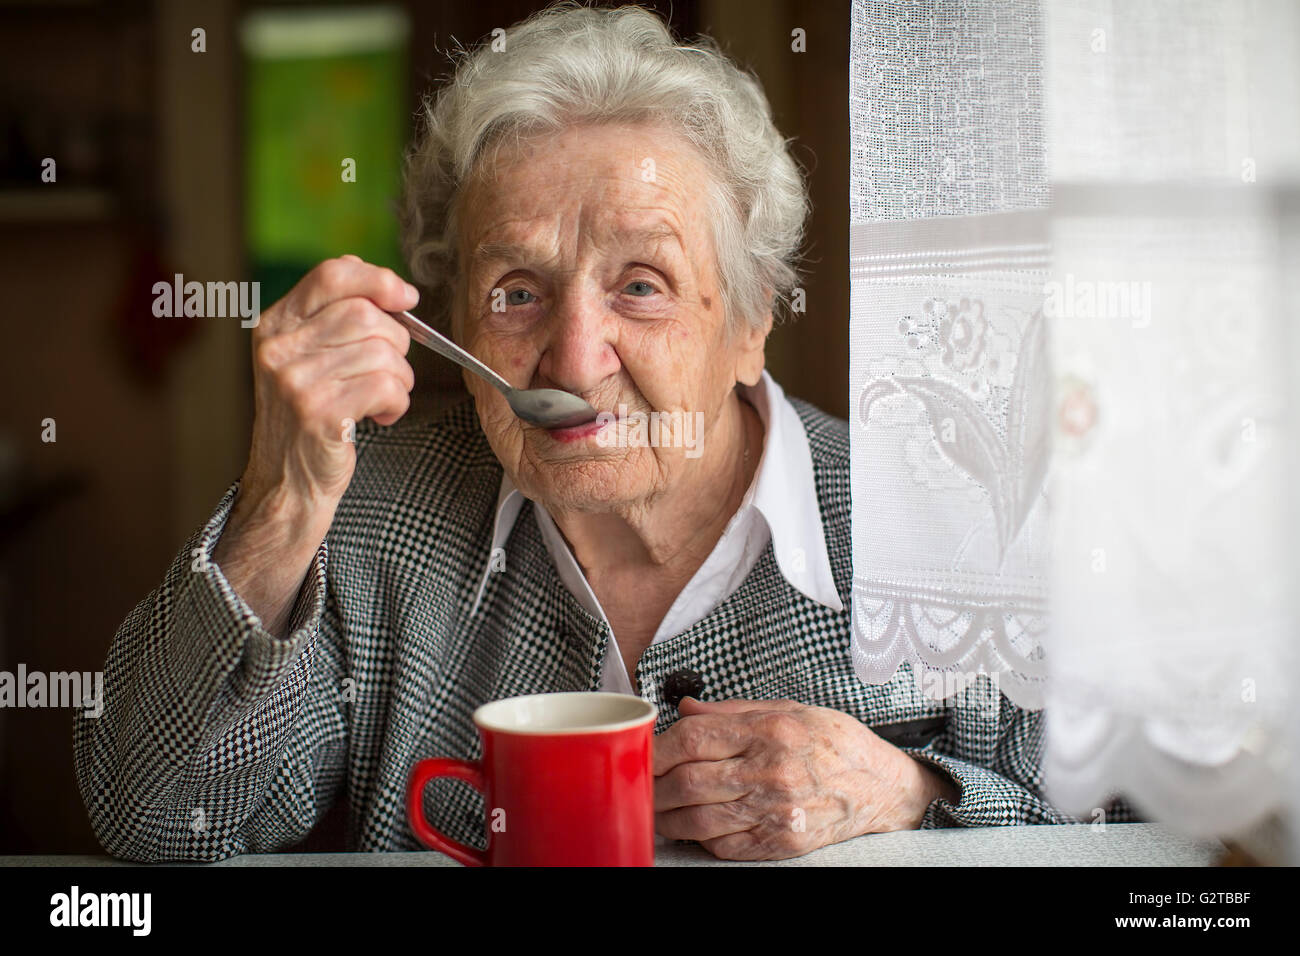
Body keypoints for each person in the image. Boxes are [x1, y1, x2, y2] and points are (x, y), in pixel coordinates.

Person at [76, 3, 1116, 863]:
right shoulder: (363, 521)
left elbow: (1155, 840)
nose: (575, 359)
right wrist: (281, 500)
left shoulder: (958, 528)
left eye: (642, 285)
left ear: (749, 320)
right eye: (517, 290)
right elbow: (156, 819)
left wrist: (913, 792)